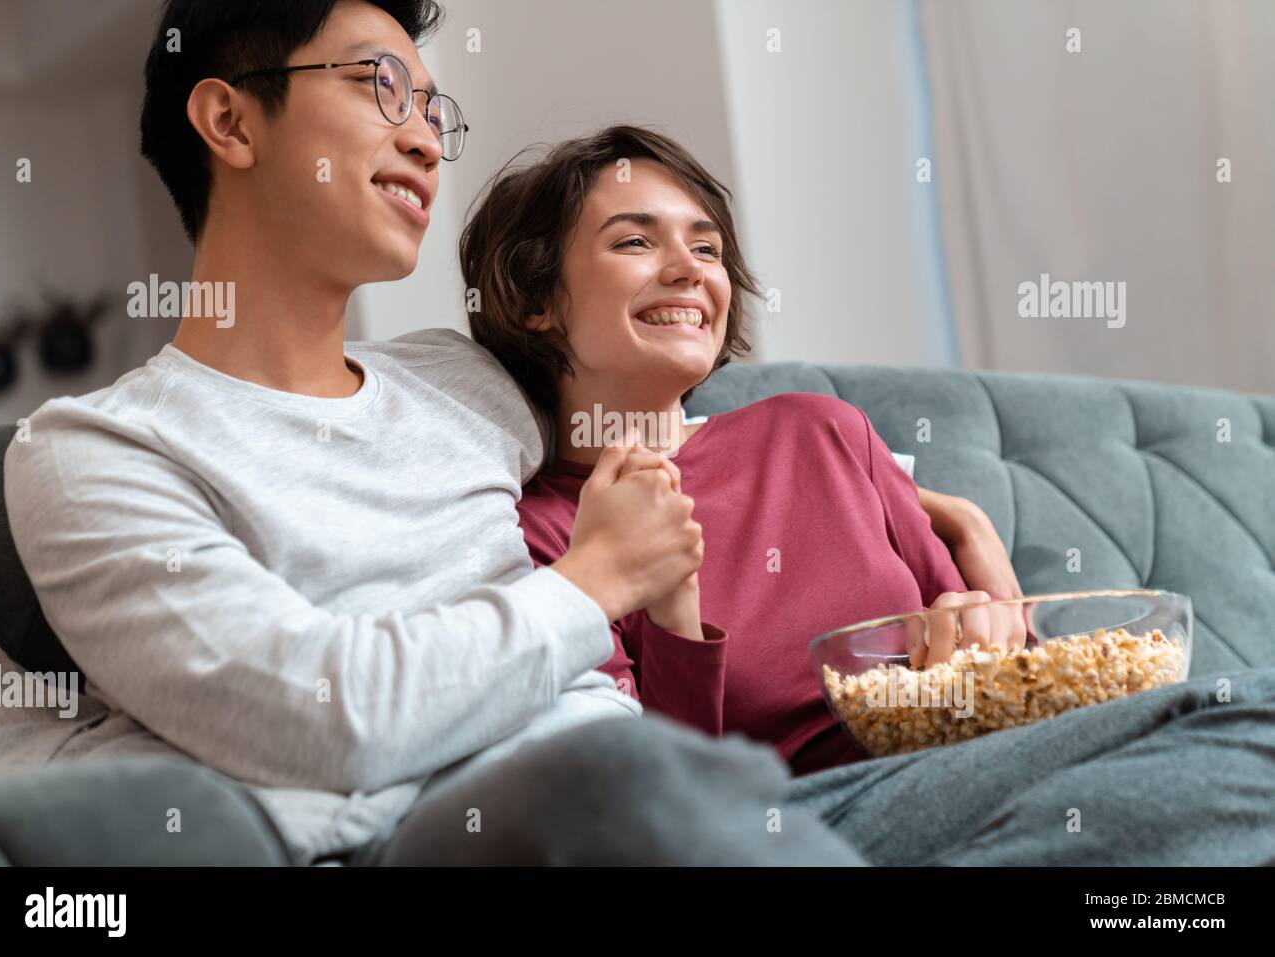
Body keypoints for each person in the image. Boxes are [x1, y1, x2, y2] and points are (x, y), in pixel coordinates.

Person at [0, 0, 864, 866]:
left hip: (662, 782)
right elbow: (318, 715)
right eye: (380, 85)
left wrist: (885, 479)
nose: (422, 140)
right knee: (636, 784)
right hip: (471, 824)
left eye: (430, 110)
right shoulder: (92, 452)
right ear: (230, 120)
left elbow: (656, 414)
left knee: (1001, 766)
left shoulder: (468, 381)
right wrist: (595, 578)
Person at [461, 125, 1275, 864]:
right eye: (635, 241)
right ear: (535, 299)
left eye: (707, 249)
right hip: (798, 823)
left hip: (978, 776)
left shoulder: (817, 432)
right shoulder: (538, 535)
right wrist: (673, 606)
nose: (688, 269)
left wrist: (991, 592)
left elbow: (997, 681)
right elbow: (665, 810)